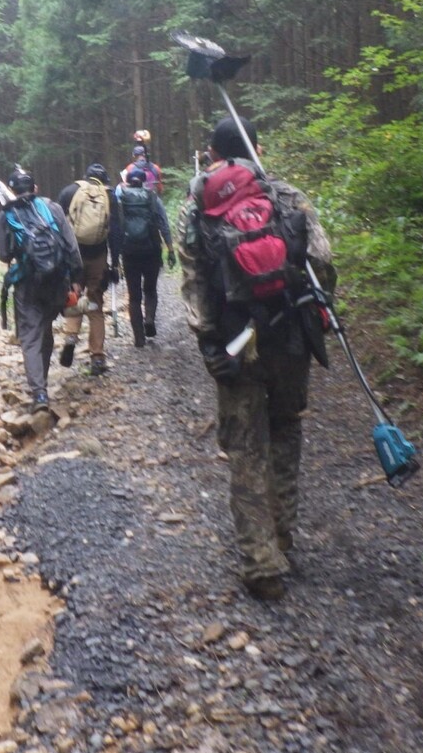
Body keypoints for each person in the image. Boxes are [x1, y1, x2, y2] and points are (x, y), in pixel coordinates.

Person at [176, 116, 335, 601]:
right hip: (289, 339)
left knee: (245, 448)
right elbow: (324, 263)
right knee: (286, 431)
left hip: (235, 344)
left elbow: (192, 276)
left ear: (211, 154)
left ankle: (260, 563)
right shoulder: (287, 196)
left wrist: (206, 341)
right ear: (257, 147)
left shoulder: (198, 206)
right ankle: (282, 537)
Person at [0, 168, 83, 412]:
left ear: (12, 191)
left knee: (31, 337)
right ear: (35, 187)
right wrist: (77, 278)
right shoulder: (52, 208)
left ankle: (40, 393)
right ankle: (41, 384)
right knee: (45, 329)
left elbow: (3, 253)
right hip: (56, 281)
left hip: (27, 284)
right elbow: (71, 246)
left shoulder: (6, 215)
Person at [57, 162, 123, 376]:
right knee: (95, 303)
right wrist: (115, 262)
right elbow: (116, 231)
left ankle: (70, 337)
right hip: (98, 255)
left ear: (85, 177)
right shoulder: (109, 196)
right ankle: (97, 356)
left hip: (73, 255)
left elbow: (56, 225)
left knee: (74, 297)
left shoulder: (69, 192)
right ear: (104, 180)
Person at [117, 165, 175, 348]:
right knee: (150, 289)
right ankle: (149, 319)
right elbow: (163, 224)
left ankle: (139, 338)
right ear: (144, 180)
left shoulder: (122, 199)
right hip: (151, 249)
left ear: (128, 181)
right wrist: (170, 249)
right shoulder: (152, 197)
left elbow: (117, 226)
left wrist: (117, 252)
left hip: (129, 251)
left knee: (134, 296)